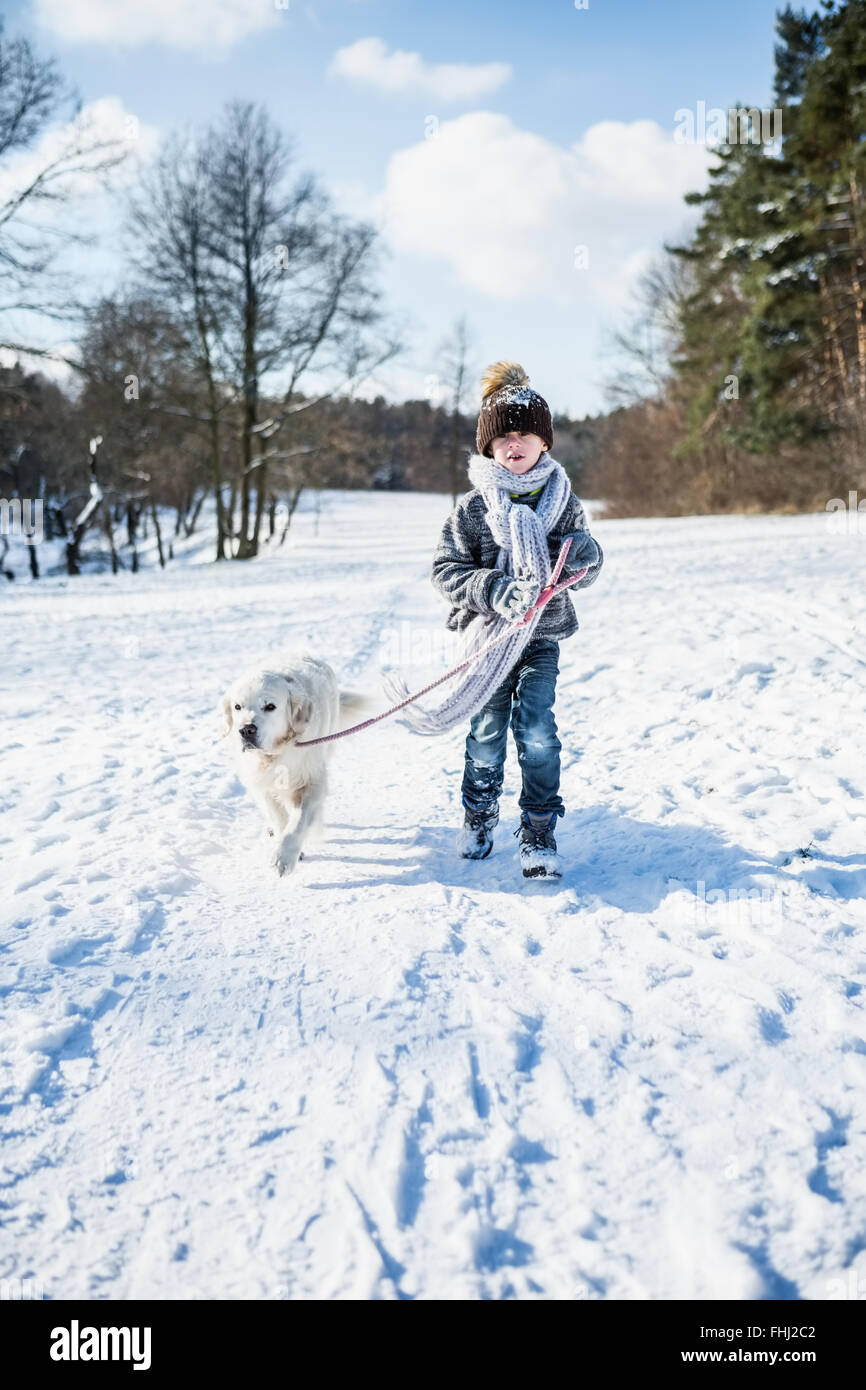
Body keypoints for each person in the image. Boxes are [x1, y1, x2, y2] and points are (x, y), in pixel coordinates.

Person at [430, 361, 604, 878]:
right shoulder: (470, 509)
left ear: (545, 442)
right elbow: (445, 571)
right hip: (488, 640)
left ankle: (538, 831)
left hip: (541, 637)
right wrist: (494, 588)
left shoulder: (563, 500)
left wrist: (584, 554)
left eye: (526, 433)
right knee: (486, 731)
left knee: (537, 731)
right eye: (503, 436)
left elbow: (587, 566)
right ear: (487, 447)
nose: (514, 443)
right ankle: (479, 813)